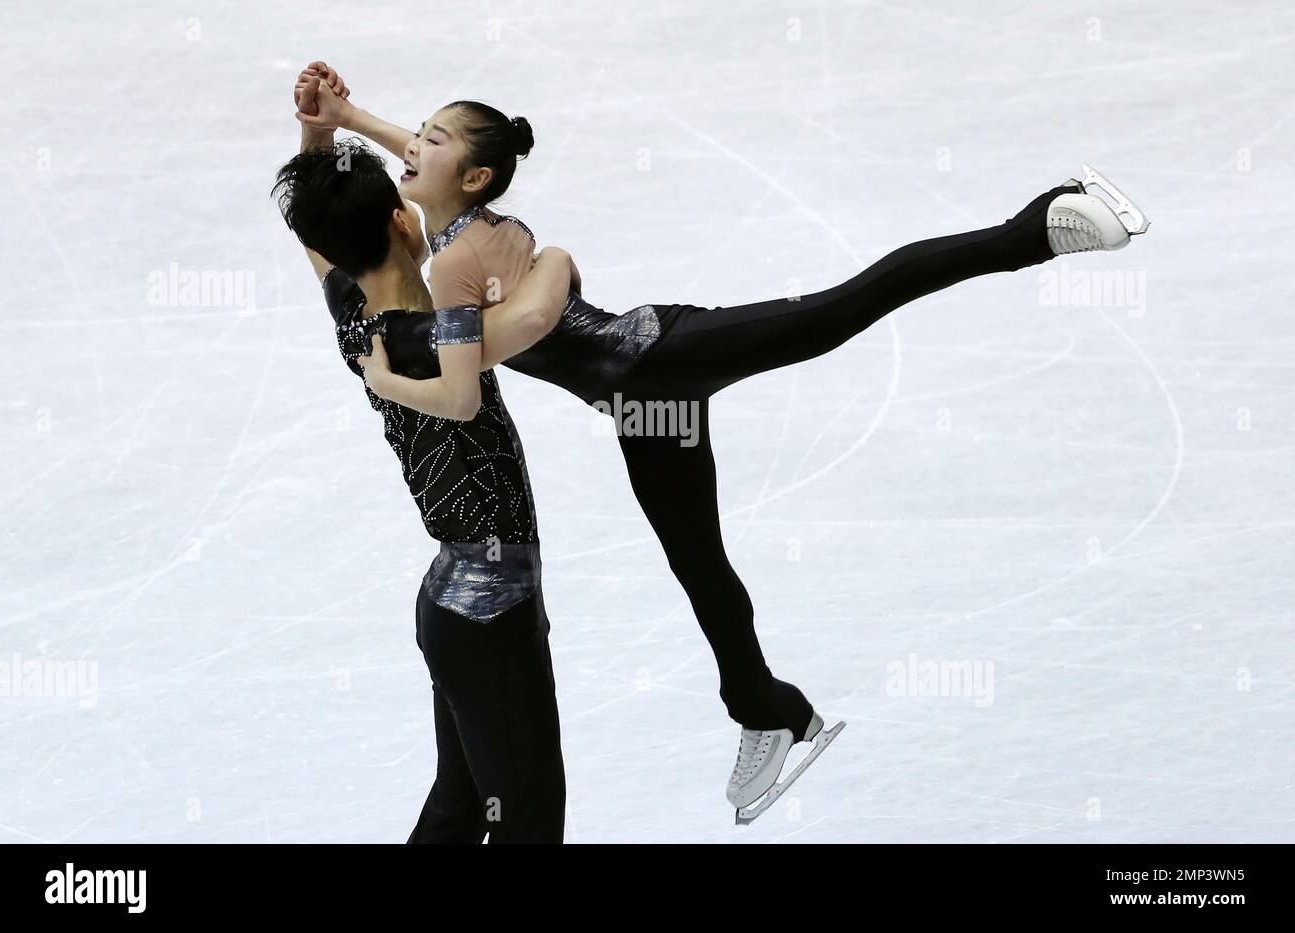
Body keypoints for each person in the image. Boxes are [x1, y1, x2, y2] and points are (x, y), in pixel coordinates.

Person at [294, 62, 1150, 816]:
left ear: (471, 174)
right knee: (698, 563)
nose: (410, 146)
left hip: (656, 354)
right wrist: (349, 118)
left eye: (429, 140)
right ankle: (767, 707)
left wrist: (456, 330)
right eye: (417, 137)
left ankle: (1038, 226)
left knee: (831, 312)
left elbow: (508, 337)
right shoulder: (458, 222)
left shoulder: (450, 263)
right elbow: (455, 185)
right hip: (640, 411)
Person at [273, 96, 581, 841]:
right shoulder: (442, 340)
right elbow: (540, 306)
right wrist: (555, 258)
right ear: (400, 223)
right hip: (488, 612)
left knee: (464, 803)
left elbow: (314, 233)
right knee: (528, 822)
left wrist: (321, 132)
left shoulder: (356, 319)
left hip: (458, 605)